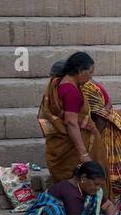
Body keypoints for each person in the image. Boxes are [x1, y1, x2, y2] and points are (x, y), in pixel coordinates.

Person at [38, 52, 102, 187]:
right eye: (89, 72)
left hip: (59, 143)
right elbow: (71, 123)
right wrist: (83, 154)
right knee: (77, 183)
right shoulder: (71, 91)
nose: (91, 77)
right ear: (79, 71)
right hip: (70, 147)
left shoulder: (58, 82)